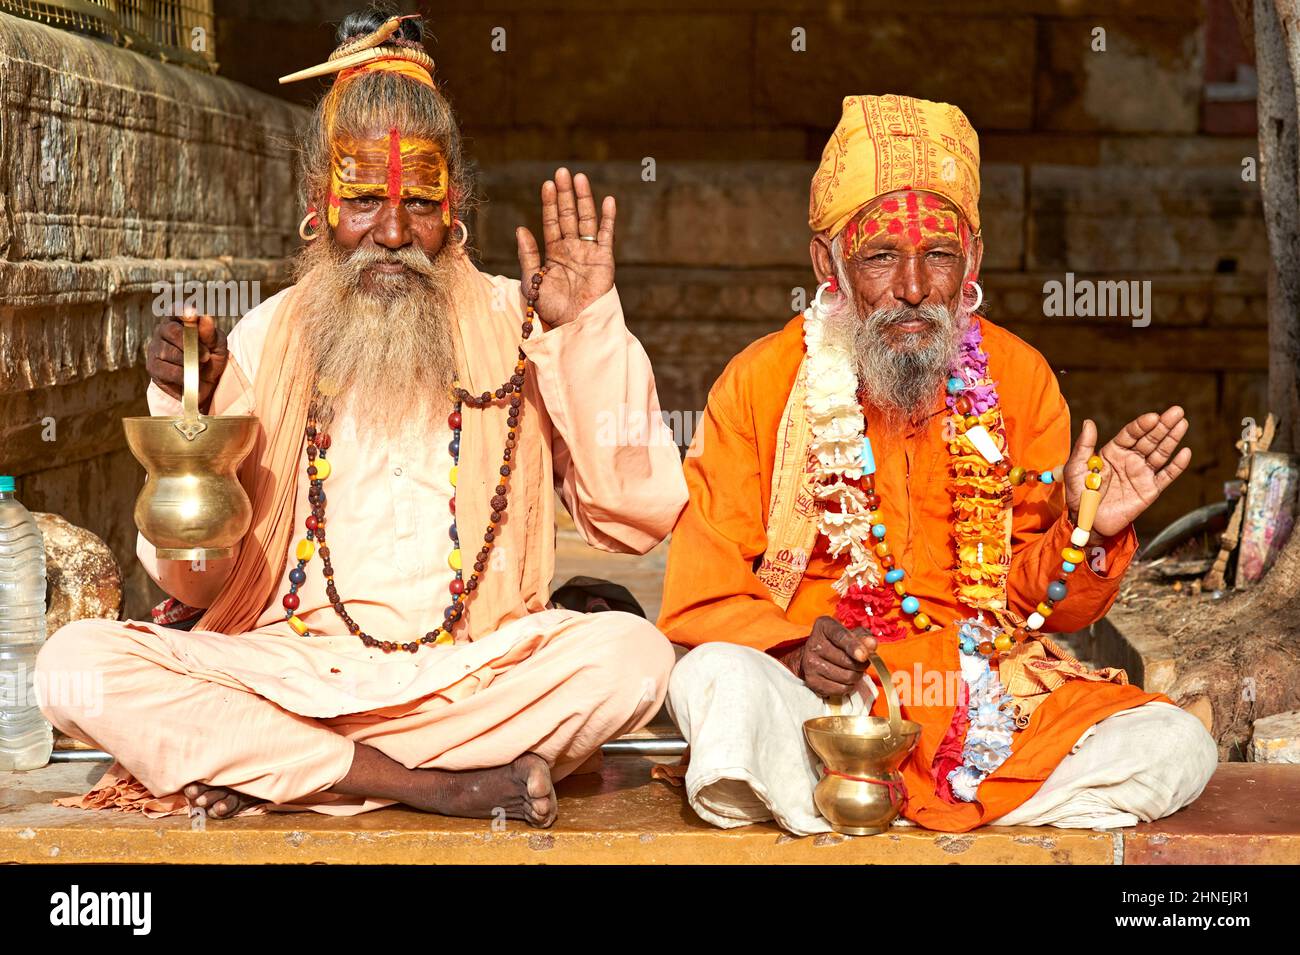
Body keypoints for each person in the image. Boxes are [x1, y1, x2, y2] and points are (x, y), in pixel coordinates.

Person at [36, 9, 687, 828]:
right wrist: (191, 410)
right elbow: (189, 581)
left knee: (632, 658)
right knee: (73, 666)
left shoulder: (520, 324)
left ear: (456, 203)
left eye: (418, 199)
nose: (391, 232)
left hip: (474, 676)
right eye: (363, 199)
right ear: (318, 203)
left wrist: (584, 329)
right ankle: (429, 783)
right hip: (291, 671)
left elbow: (637, 518)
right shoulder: (267, 336)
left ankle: (287, 767)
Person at [658, 93, 1218, 835]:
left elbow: (1038, 605)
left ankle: (868, 815)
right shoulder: (761, 382)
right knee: (711, 677)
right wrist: (794, 647)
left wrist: (1089, 527)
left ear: (974, 262)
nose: (915, 289)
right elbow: (702, 594)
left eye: (940, 256)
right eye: (883, 256)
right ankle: (959, 818)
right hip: (828, 703)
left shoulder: (1018, 378)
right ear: (828, 262)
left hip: (983, 696)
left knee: (1176, 745)